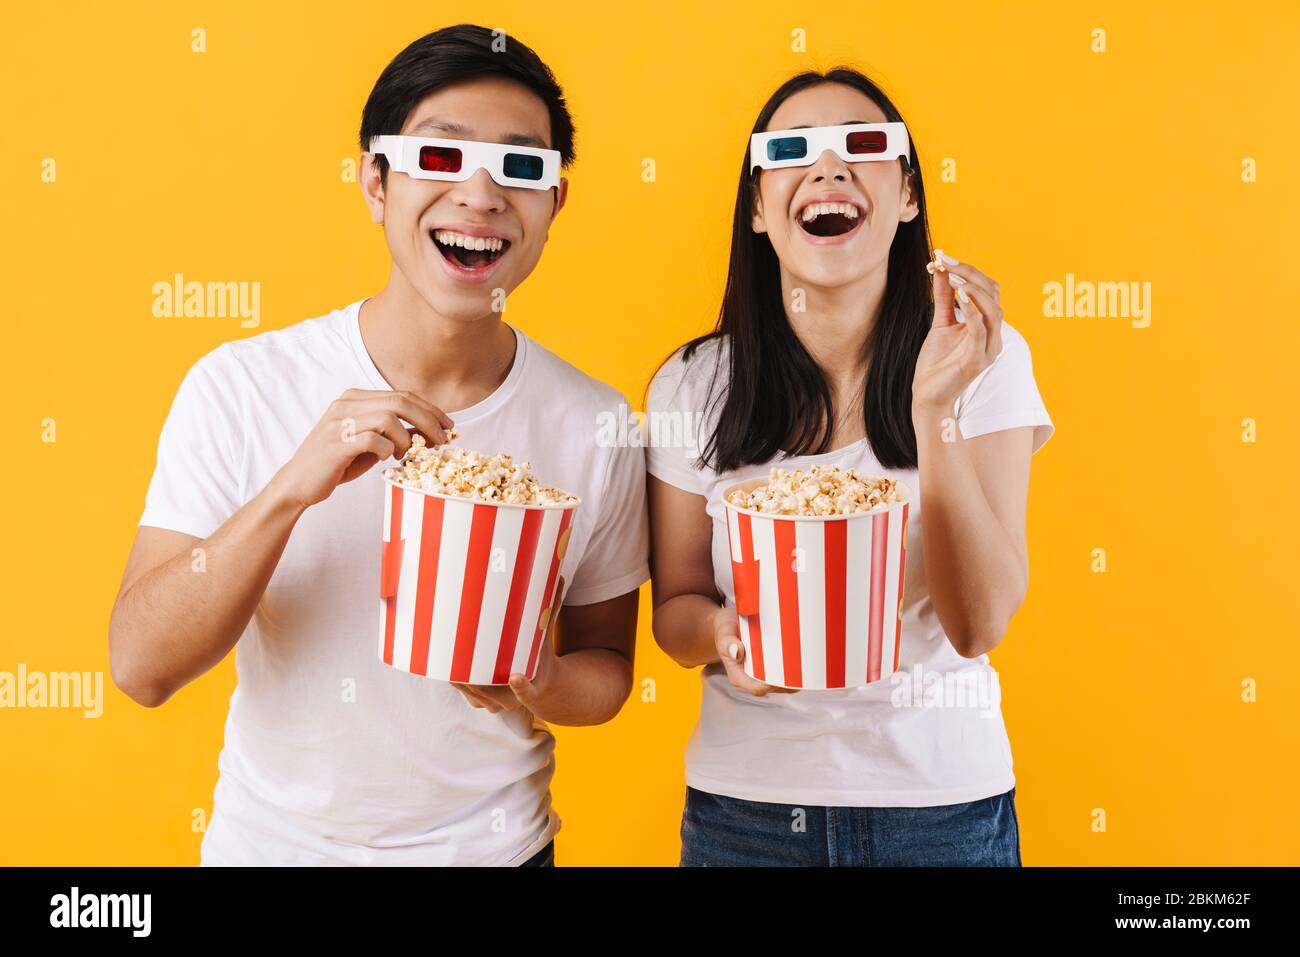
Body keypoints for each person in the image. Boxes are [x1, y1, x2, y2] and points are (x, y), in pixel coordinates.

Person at [109, 24, 649, 866]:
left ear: (554, 205)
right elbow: (141, 666)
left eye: (521, 166)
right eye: (440, 159)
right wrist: (294, 485)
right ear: (374, 182)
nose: (480, 194)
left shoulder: (596, 423)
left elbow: (607, 670)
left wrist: (536, 679)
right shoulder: (243, 384)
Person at [646, 67, 1054, 866]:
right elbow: (677, 613)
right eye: (793, 151)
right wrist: (727, 636)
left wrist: (934, 410)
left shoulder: (984, 361)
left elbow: (978, 624)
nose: (829, 169)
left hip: (940, 808)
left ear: (906, 196)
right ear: (759, 210)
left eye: (863, 147)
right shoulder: (693, 384)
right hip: (747, 811)